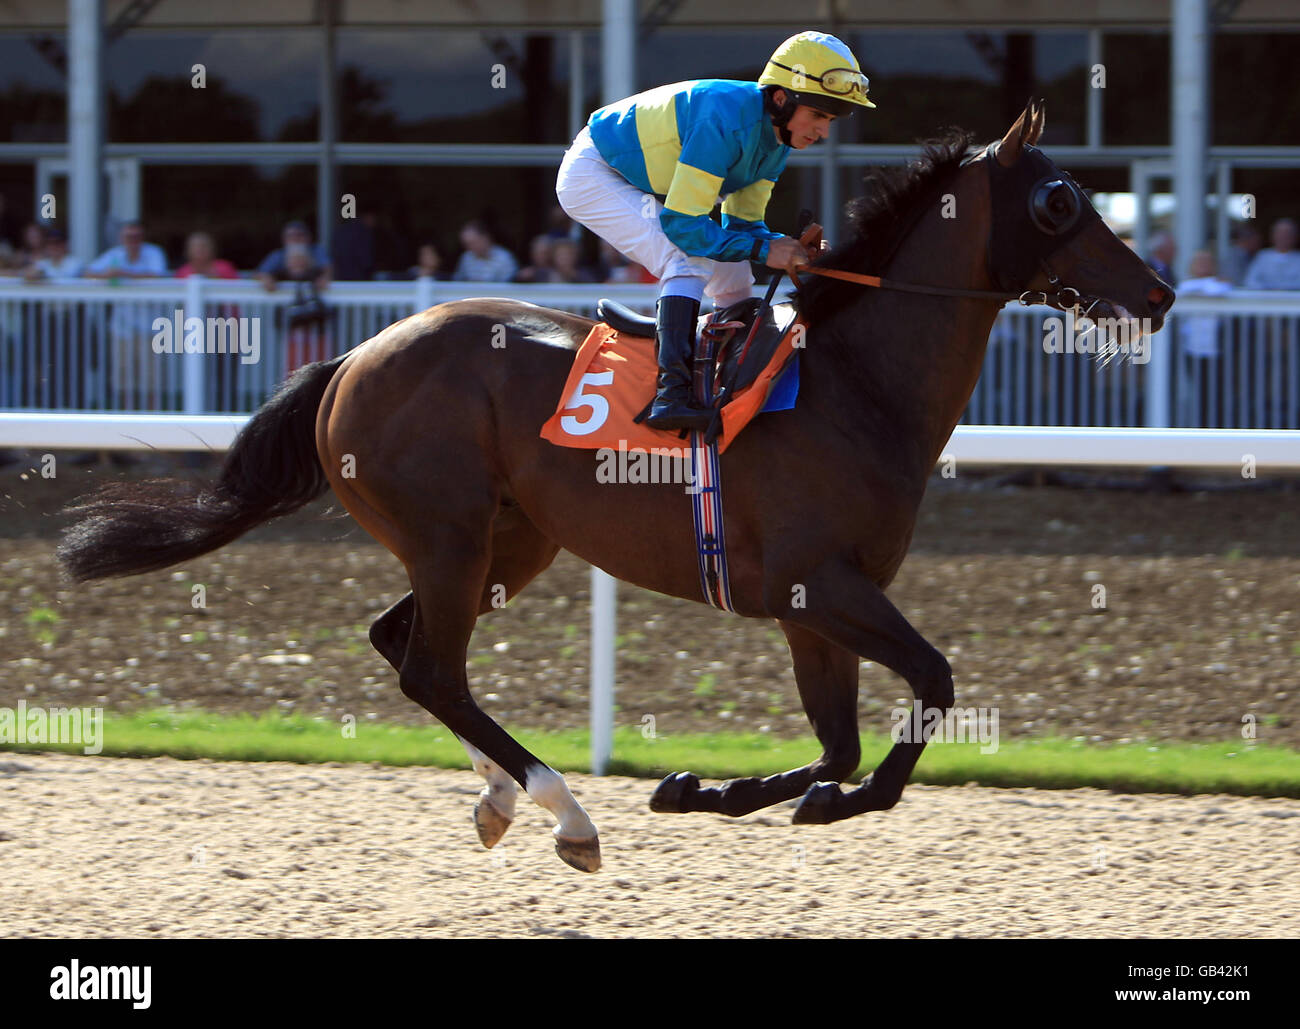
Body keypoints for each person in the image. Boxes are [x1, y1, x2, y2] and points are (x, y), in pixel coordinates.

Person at [555, 31, 874, 431]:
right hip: (593, 172)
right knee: (685, 257)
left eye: (831, 119)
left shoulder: (777, 140)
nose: (824, 131)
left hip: (647, 182)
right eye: (819, 115)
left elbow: (741, 227)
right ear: (780, 99)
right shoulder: (722, 120)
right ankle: (671, 395)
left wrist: (781, 246)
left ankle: (731, 379)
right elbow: (684, 228)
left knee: (735, 271)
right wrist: (765, 250)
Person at [1177, 250, 1233, 427]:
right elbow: (1184, 291)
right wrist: (1207, 287)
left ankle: (1218, 427)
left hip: (1216, 349)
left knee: (1217, 393)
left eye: (1206, 261)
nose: (1202, 265)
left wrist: (1207, 288)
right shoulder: (1186, 284)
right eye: (1198, 261)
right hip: (1192, 348)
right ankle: (1200, 427)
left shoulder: (1220, 284)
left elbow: (1219, 291)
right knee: (1199, 392)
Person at [258, 220, 330, 292]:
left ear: (308, 237)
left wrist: (324, 278)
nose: (295, 238)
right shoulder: (278, 255)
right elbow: (260, 273)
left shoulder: (317, 251)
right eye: (291, 235)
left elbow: (327, 268)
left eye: (300, 235)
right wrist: (267, 279)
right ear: (284, 239)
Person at [1243, 218, 1300, 290]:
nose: (1283, 237)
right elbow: (1250, 281)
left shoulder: (1298, 258)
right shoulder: (1262, 256)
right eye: (1280, 233)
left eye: (1288, 233)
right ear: (1273, 235)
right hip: (1265, 299)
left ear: (1295, 236)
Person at [453, 220, 518, 282]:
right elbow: (457, 281)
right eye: (466, 244)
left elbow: (510, 286)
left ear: (485, 238)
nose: (469, 248)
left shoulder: (504, 258)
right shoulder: (466, 257)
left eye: (472, 243)